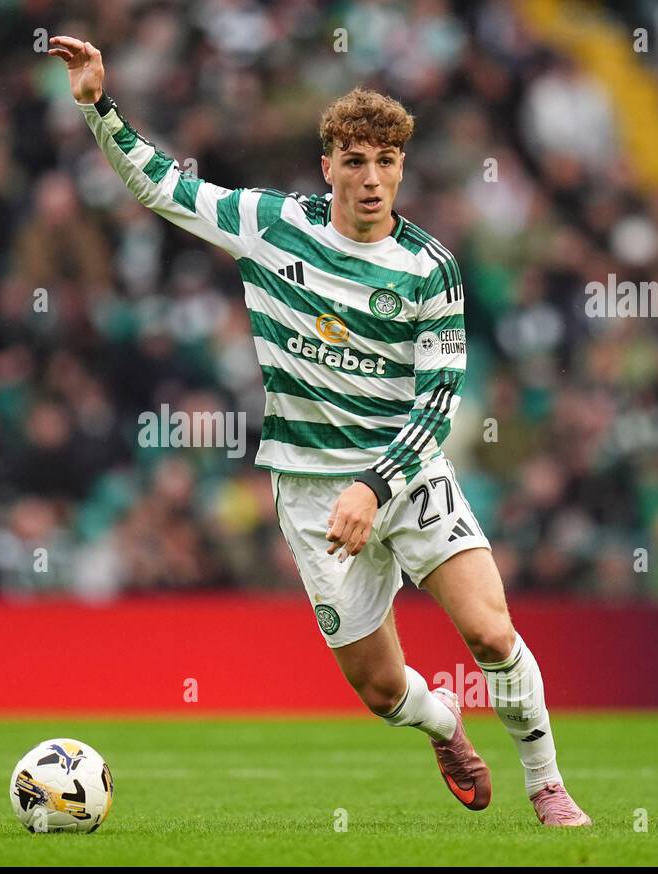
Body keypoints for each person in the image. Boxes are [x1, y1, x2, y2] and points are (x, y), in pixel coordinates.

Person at [48, 36, 592, 825]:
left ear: (403, 167)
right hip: (308, 487)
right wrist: (99, 105)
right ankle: (443, 723)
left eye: (387, 161)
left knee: (491, 628)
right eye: (357, 160)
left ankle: (547, 785)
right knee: (379, 689)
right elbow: (162, 187)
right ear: (328, 164)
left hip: (404, 475)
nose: (372, 178)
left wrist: (375, 485)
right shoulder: (270, 226)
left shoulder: (430, 267)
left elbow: (439, 398)